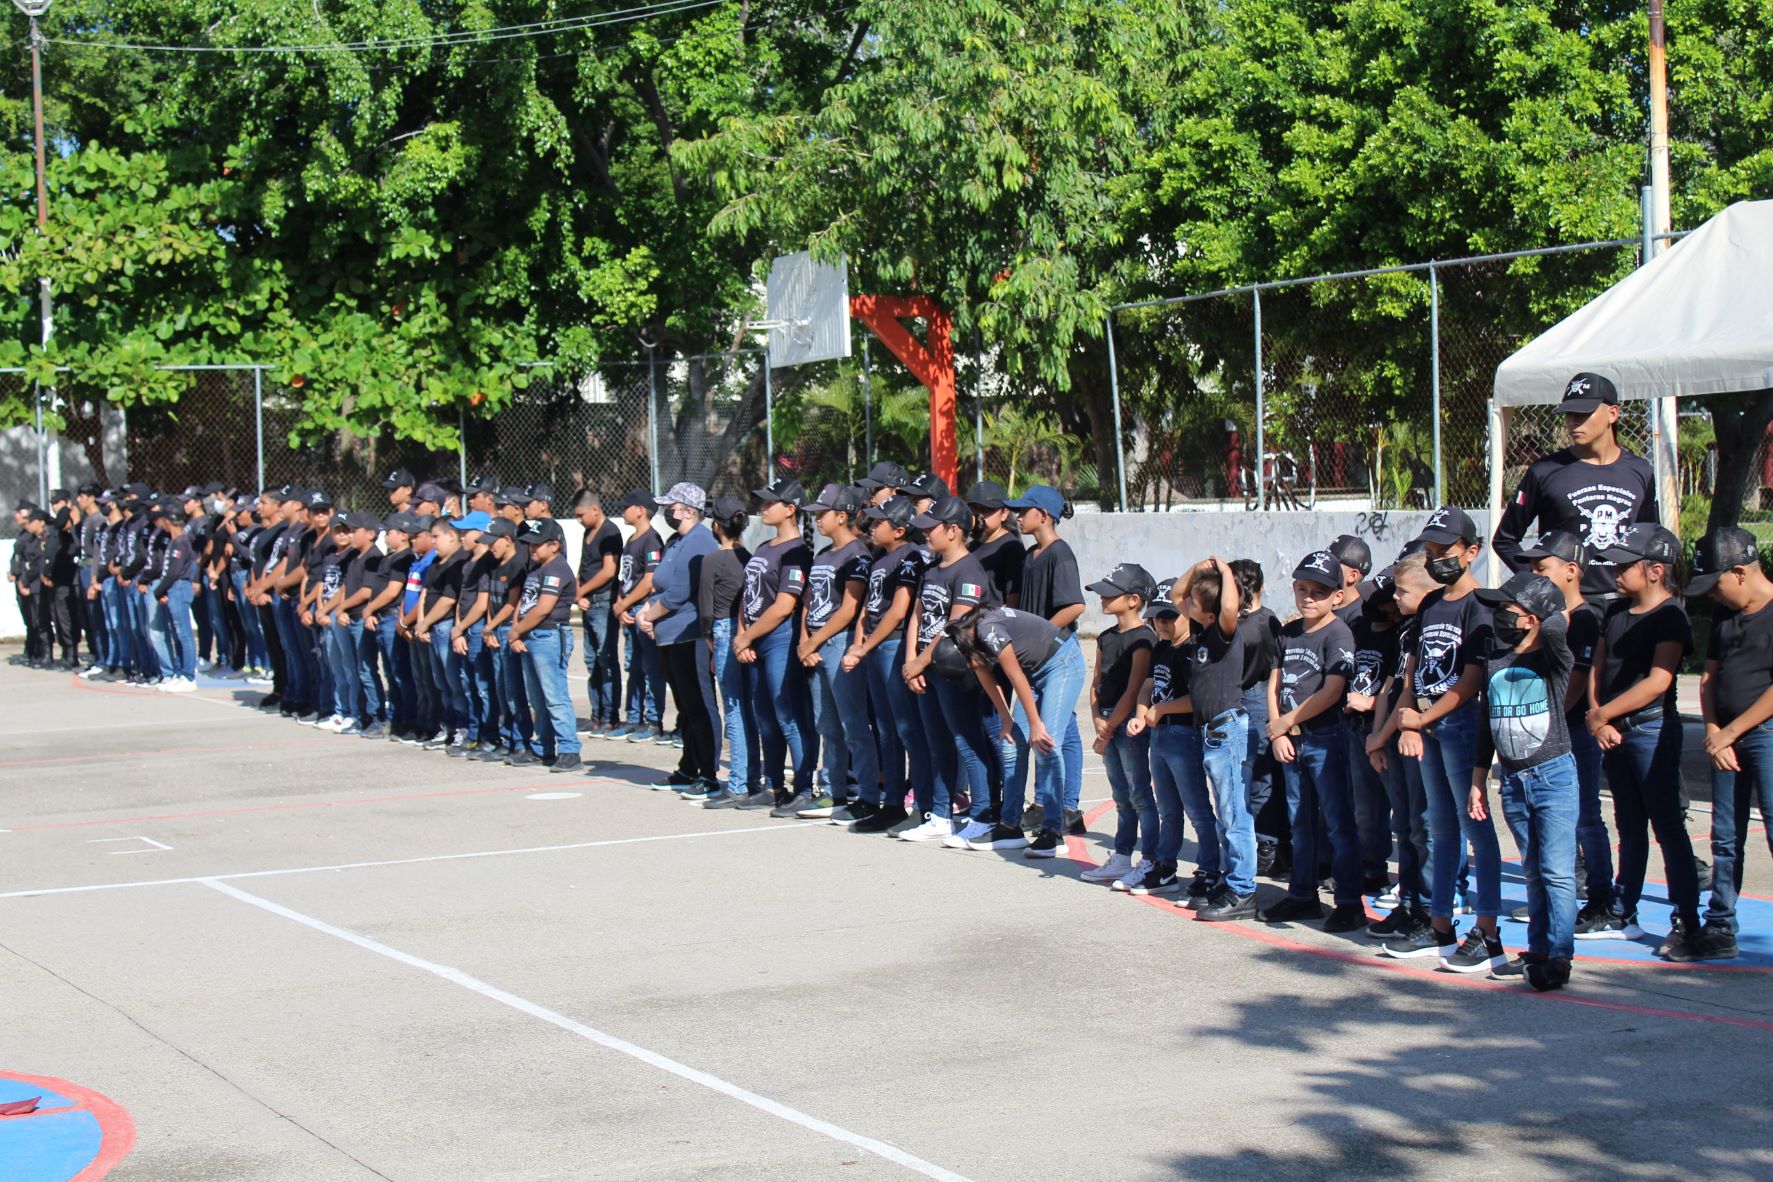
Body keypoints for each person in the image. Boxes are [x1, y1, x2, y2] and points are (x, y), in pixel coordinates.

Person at [1384, 508, 1504, 971]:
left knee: (1474, 824)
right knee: (1439, 826)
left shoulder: (1481, 607)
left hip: (1460, 726)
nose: (1436, 561)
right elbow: (1413, 672)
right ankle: (1439, 925)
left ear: (1472, 553)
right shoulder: (1432, 604)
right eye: (1430, 553)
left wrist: (1422, 719)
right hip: (1428, 726)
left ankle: (1488, 931)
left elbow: (1470, 681)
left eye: (1445, 552)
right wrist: (1409, 718)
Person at [1584, 524, 1701, 955]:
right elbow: (1598, 667)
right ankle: (1623, 908)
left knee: (1668, 826)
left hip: (1650, 729)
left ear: (1655, 571)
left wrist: (1603, 714)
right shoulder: (1614, 612)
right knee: (1628, 826)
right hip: (1612, 731)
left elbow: (1657, 682)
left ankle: (1688, 919)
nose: (1615, 570)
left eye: (1624, 564)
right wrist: (1597, 717)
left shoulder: (1671, 615)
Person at [1471, 573, 1577, 990]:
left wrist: (1542, 610)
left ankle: (1559, 954)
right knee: (1533, 869)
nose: (1499, 617)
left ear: (1531, 618)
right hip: (1513, 779)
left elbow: (1558, 626)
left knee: (1556, 870)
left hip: (1553, 776)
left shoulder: (1553, 659)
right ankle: (1537, 949)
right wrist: (1479, 777)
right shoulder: (1496, 658)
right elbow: (1485, 721)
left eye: (1507, 611)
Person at [1260, 549, 1363, 931]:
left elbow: (1333, 690)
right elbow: (1275, 682)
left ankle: (1350, 901)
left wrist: (1287, 721)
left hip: (1324, 739)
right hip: (1291, 740)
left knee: (1337, 822)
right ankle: (1302, 894)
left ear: (1337, 596)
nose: (1308, 597)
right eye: (1302, 589)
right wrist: (1278, 730)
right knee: (1298, 821)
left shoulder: (1338, 633)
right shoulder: (1287, 632)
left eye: (1319, 592)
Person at [1492, 372, 1659, 601]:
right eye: (1570, 413)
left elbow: (1649, 541)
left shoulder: (1641, 471)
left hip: (1624, 604)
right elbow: (1505, 539)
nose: (1574, 421)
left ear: (1613, 413)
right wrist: (1540, 582)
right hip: (1566, 607)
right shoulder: (1545, 471)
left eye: (1584, 413)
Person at [1689, 526, 1773, 961]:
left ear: (1740, 572)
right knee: (1725, 836)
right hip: (1725, 739)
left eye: (1717, 584)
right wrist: (1712, 731)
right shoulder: (1726, 618)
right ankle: (1721, 923)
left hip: (1762, 736)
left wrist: (1731, 731)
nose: (1714, 597)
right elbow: (1708, 678)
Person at [1519, 531, 1612, 915]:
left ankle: (1603, 899)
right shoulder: (1544, 618)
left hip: (1569, 732)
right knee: (1549, 820)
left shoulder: (1584, 619)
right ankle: (1558, 896)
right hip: (1545, 731)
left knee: (1586, 814)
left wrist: (1545, 724)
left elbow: (1575, 681)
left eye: (1542, 567)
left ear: (1571, 570)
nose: (1534, 574)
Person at [900, 495, 999, 843]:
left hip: (954, 670)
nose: (925, 534)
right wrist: (911, 659)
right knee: (936, 742)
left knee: (966, 741)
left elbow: (953, 626)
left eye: (932, 527)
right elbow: (918, 615)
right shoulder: (932, 569)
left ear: (953, 530)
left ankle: (983, 815)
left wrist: (919, 662)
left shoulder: (969, 571)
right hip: (926, 667)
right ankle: (941, 815)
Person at [951, 602, 1085, 853]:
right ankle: (1010, 826)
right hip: (1034, 671)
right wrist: (1007, 721)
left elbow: (1015, 677)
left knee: (1045, 743)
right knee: (1010, 744)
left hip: (1062, 662)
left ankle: (1054, 832)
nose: (969, 665)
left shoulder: (987, 630)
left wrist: (1035, 724)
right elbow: (988, 680)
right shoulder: (966, 633)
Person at [841, 495, 926, 833]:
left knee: (906, 730)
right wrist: (859, 643)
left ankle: (923, 804)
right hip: (875, 649)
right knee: (886, 731)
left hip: (892, 648)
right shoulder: (878, 558)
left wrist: (864, 648)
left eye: (880, 523)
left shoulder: (909, 558)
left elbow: (898, 611)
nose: (872, 527)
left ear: (901, 529)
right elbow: (867, 609)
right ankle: (891, 803)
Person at [1006, 485, 1086, 837]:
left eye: (1024, 510)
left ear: (1044, 515)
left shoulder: (1060, 553)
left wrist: (1040, 631)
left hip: (1057, 656)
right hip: (1033, 660)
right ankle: (1061, 807)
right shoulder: (1030, 556)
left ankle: (1056, 807)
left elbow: (1075, 605)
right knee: (1059, 728)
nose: (1018, 516)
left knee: (1049, 735)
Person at [734, 478, 815, 810]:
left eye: (770, 503)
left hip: (780, 639)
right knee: (764, 716)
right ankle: (774, 786)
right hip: (755, 639)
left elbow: (784, 606)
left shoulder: (798, 553)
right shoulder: (764, 547)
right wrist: (744, 634)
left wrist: (748, 636)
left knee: (787, 715)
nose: (763, 508)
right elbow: (747, 596)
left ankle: (805, 788)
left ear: (790, 509)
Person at [796, 483, 875, 818]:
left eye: (823, 514)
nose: (817, 520)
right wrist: (804, 641)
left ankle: (868, 796)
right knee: (825, 723)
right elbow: (809, 602)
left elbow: (849, 609)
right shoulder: (822, 555)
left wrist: (814, 642)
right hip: (814, 646)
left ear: (842, 516)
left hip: (838, 644)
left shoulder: (857, 554)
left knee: (852, 724)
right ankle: (833, 792)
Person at [638, 483, 720, 796]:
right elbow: (660, 584)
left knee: (699, 704)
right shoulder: (676, 541)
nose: (667, 513)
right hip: (669, 635)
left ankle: (709, 773)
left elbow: (679, 592)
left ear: (687, 510)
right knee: (685, 706)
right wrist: (648, 610)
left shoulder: (700, 540)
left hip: (690, 635)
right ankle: (689, 766)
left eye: (672, 507)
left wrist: (650, 615)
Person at [1079, 563, 1157, 885]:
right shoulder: (1105, 637)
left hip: (1127, 725)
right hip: (1109, 720)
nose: (1103, 598)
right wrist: (1097, 718)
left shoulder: (1144, 639)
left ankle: (1151, 859)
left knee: (1140, 794)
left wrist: (1110, 726)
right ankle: (1122, 856)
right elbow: (1097, 682)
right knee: (1120, 794)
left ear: (1134, 599)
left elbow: (1135, 687)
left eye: (1111, 593)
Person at [1126, 578, 1198, 894]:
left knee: (1197, 810)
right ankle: (1166, 867)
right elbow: (1147, 686)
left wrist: (1163, 709)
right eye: (1157, 617)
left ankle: (1209, 869)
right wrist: (1142, 713)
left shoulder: (1194, 650)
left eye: (1170, 617)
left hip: (1185, 734)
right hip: (1160, 735)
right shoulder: (1162, 648)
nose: (1162, 623)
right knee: (1168, 807)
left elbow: (1199, 699)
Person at [508, 517, 581, 772]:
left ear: (554, 545)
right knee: (538, 699)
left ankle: (569, 749)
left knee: (555, 696)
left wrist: (516, 630)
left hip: (549, 636)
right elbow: (525, 603)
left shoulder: (557, 569)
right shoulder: (537, 568)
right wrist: (517, 630)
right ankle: (544, 747)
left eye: (537, 545)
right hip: (532, 635)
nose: (532, 549)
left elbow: (543, 608)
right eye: (530, 544)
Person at [699, 497, 759, 807]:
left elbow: (706, 612)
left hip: (724, 632)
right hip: (747, 632)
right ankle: (752, 776)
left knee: (734, 708)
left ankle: (738, 783)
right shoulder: (749, 558)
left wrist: (710, 644)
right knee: (748, 706)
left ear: (717, 527)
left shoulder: (711, 561)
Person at [1231, 558, 1285, 876]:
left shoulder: (1245, 622)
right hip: (1255, 696)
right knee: (1257, 778)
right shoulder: (1266, 619)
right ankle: (1265, 845)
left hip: (1254, 697)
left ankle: (1266, 845)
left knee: (1252, 777)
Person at [475, 517, 534, 762]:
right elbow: (491, 601)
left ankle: (521, 741)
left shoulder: (517, 565)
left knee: (514, 691)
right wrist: (489, 628)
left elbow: (512, 604)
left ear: (508, 540)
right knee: (501, 690)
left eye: (494, 542)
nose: (491, 547)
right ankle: (507, 738)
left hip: (509, 630)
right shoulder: (494, 563)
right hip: (495, 631)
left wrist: (491, 626)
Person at [611, 491, 667, 743]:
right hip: (628, 609)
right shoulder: (632, 539)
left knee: (651, 667)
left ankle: (653, 720)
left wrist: (626, 604)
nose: (623, 511)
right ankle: (634, 718)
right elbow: (626, 578)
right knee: (633, 667)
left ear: (641, 510)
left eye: (627, 507)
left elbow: (649, 581)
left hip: (642, 610)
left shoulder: (651, 541)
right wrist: (621, 606)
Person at [572, 491, 623, 736]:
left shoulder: (609, 532)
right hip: (588, 603)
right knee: (592, 661)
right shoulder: (587, 533)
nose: (579, 520)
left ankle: (610, 716)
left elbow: (608, 571)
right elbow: (585, 567)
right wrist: (579, 594)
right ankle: (597, 713)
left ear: (595, 509)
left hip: (604, 603)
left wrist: (580, 591)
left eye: (581, 515)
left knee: (606, 659)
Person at [416, 519, 468, 749]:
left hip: (445, 626)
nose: (432, 541)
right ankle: (448, 728)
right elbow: (426, 592)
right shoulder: (436, 561)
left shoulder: (458, 562)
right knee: (441, 682)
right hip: (432, 629)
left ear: (451, 536)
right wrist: (421, 623)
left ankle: (462, 728)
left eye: (436, 537)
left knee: (453, 681)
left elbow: (448, 600)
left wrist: (425, 622)